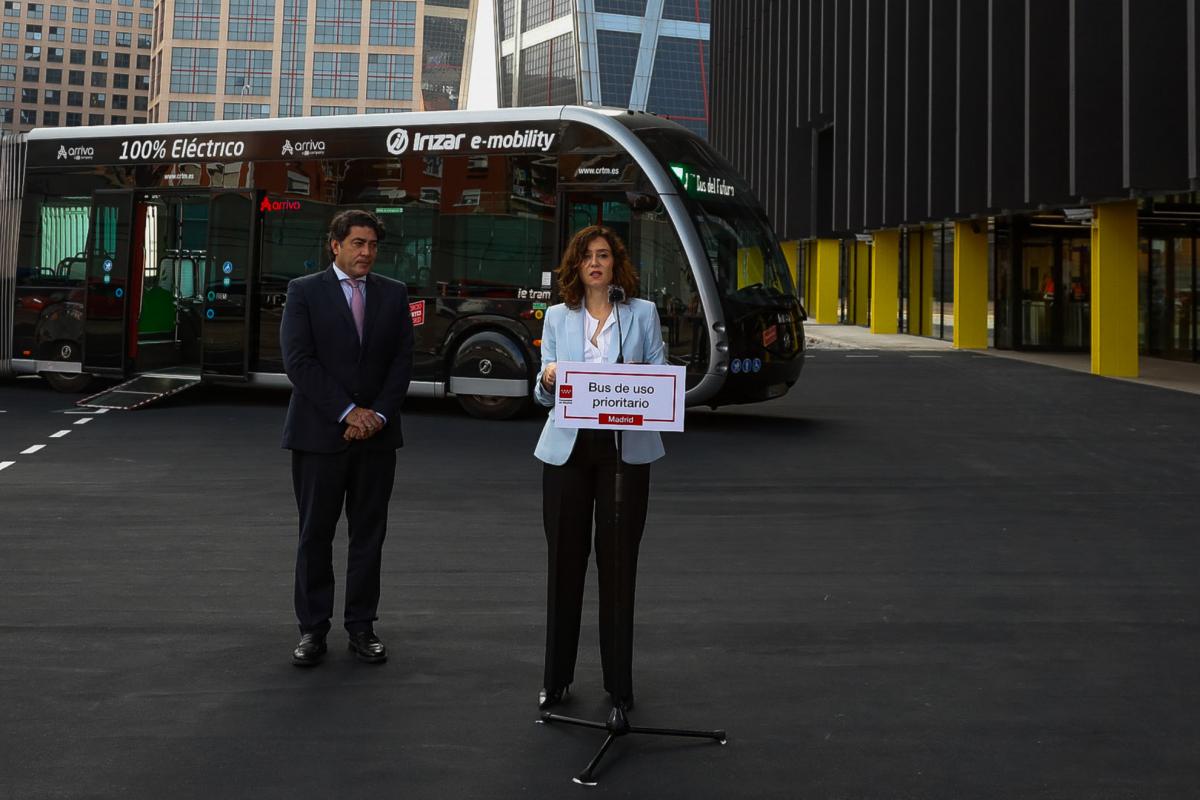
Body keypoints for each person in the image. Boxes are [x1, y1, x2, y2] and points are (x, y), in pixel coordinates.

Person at [532, 225, 667, 713]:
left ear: (616, 264)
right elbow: (542, 392)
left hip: (624, 450)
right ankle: (556, 679)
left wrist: (630, 382)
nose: (595, 262)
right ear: (576, 264)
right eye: (587, 255)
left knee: (617, 567)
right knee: (563, 566)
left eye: (604, 255)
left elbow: (659, 374)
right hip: (568, 448)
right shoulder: (556, 317)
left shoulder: (643, 314)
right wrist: (547, 377)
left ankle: (620, 685)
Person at [280, 209, 414, 667]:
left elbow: (401, 363)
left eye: (373, 245)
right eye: (358, 243)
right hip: (320, 436)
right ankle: (312, 630)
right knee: (314, 535)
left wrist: (375, 413)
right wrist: (347, 411)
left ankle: (362, 627)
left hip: (377, 438)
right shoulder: (303, 292)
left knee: (368, 537)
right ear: (334, 245)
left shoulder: (394, 295)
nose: (367, 252)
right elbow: (299, 363)